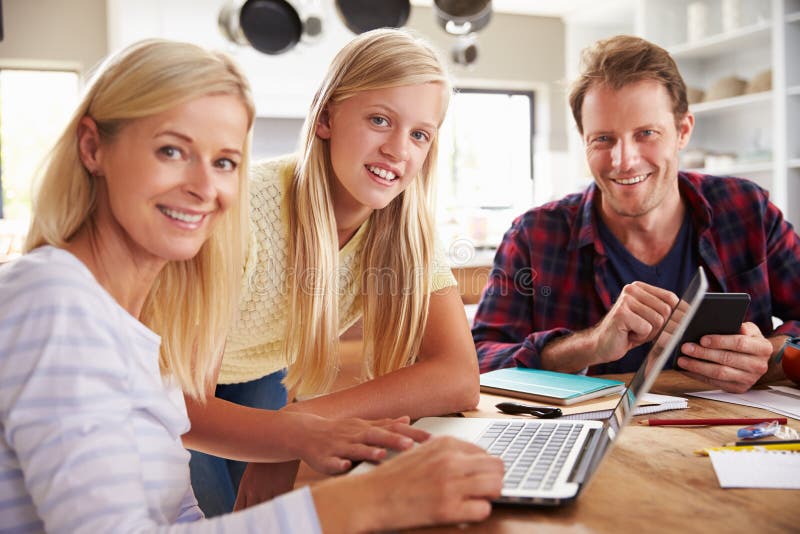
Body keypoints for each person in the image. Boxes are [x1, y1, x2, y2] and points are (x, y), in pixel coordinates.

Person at [0, 38, 504, 532]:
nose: (206, 189)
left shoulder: (125, 333)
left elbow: (175, 514)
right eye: (171, 150)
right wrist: (356, 497)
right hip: (206, 380)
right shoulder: (57, 303)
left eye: (224, 162)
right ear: (93, 148)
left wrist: (298, 431)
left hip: (252, 372)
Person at [184, 28, 480, 515]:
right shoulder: (244, 213)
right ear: (326, 118)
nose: (398, 150)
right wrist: (287, 434)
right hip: (171, 381)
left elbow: (456, 375)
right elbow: (185, 403)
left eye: (419, 134)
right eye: (380, 119)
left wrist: (301, 422)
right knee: (210, 516)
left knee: (254, 516)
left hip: (258, 370)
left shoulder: (405, 230)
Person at [472, 35, 800, 394]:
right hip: (600, 445)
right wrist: (589, 344)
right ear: (583, 140)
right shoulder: (534, 235)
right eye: (603, 139)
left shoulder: (746, 209)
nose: (624, 160)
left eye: (646, 133)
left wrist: (769, 353)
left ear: (683, 131)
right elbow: (479, 359)